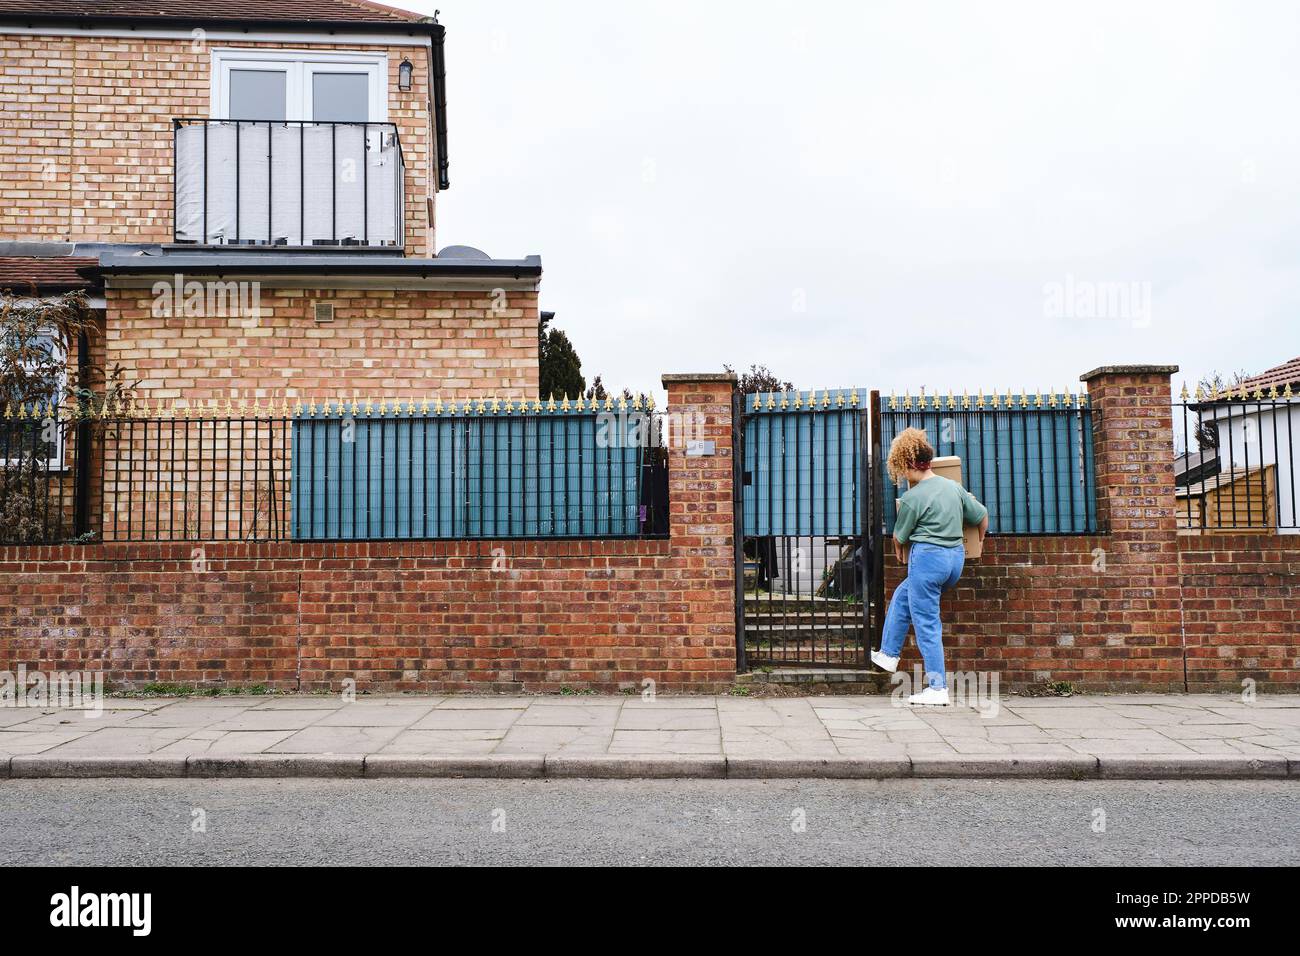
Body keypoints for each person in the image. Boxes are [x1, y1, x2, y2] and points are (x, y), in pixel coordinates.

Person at [870, 428, 989, 706]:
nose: (902, 477)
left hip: (928, 560)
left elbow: (899, 538)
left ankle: (938, 687)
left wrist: (901, 554)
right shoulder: (953, 487)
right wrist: (979, 541)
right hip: (954, 561)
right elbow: (981, 517)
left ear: (910, 464)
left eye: (902, 469)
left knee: (927, 622)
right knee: (903, 595)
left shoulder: (913, 498)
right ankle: (888, 654)